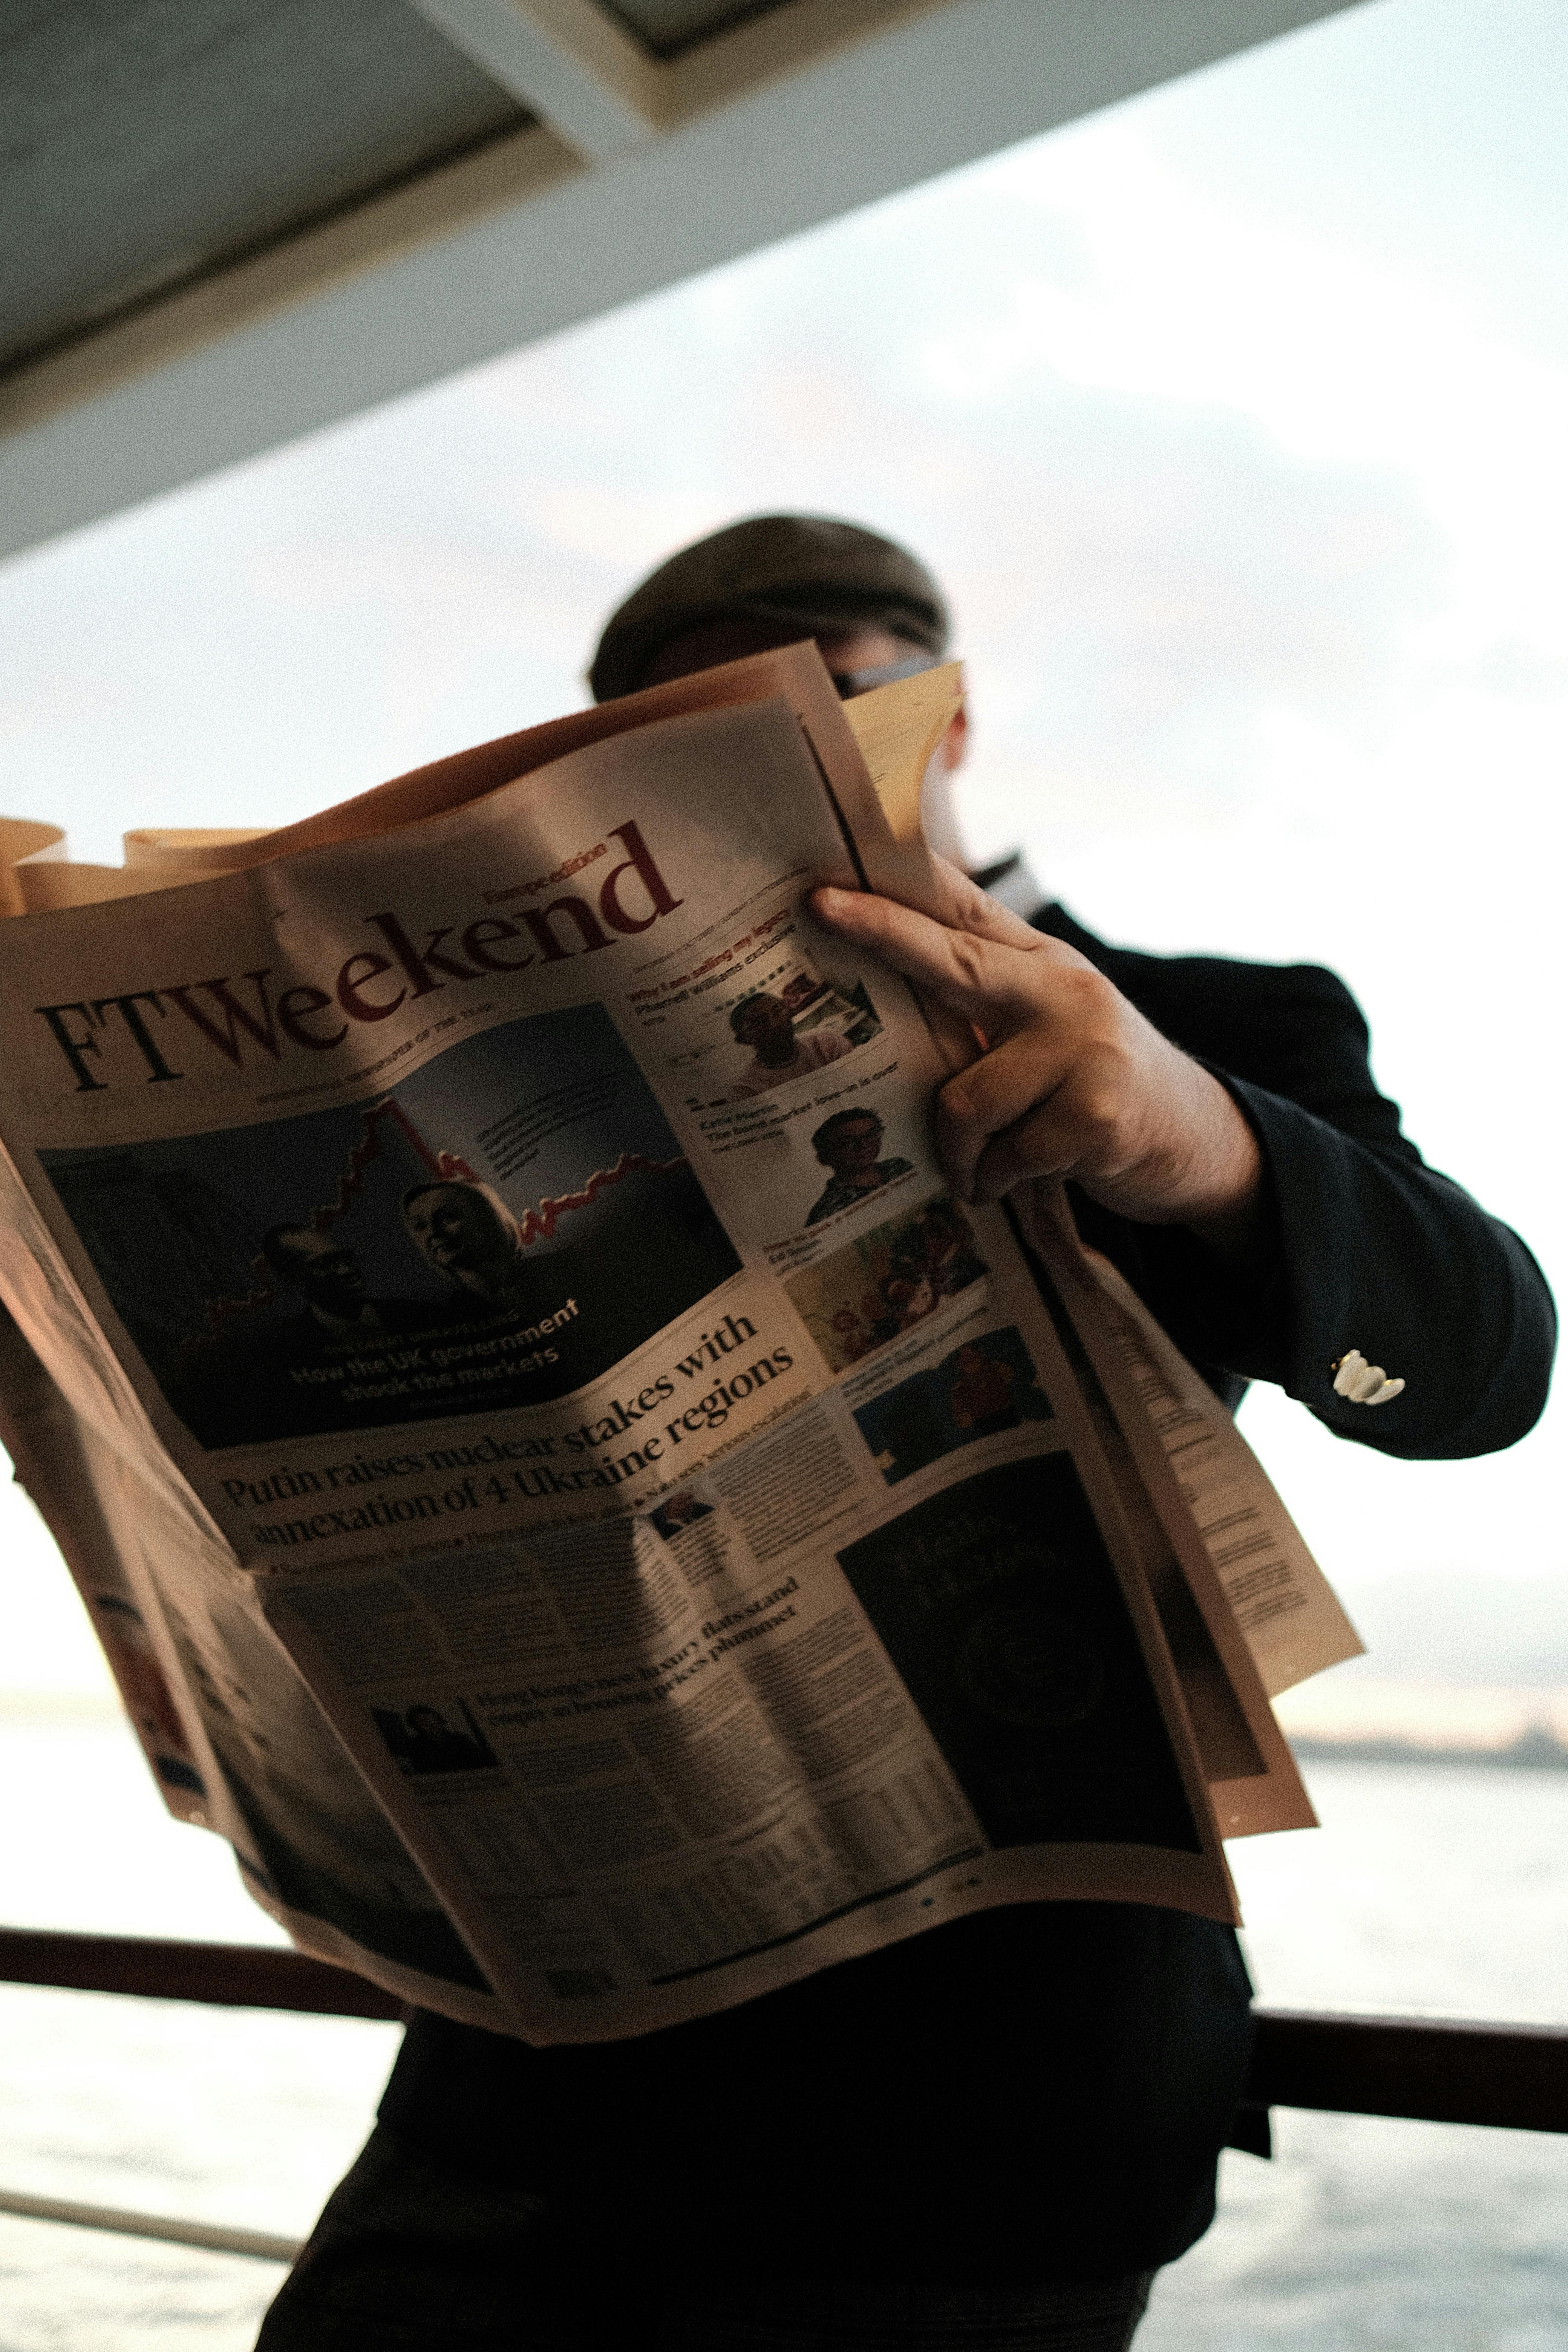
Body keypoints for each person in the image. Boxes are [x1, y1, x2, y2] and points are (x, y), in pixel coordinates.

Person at [259, 516, 1556, 2352]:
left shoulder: (1218, 1026)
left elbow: (1492, 1366)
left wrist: (1205, 1141)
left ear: (943, 723)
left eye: (825, 698)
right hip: (525, 2104)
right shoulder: (499, 1106)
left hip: (978, 2143)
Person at [729, 987, 850, 1096]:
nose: (775, 1023)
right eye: (759, 1023)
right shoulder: (748, 1089)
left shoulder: (827, 1043)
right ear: (744, 1040)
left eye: (778, 1011)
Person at [805, 1107, 915, 1223]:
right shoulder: (827, 1211)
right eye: (847, 1142)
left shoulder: (898, 1166)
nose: (863, 1145)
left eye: (870, 1135)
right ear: (826, 1156)